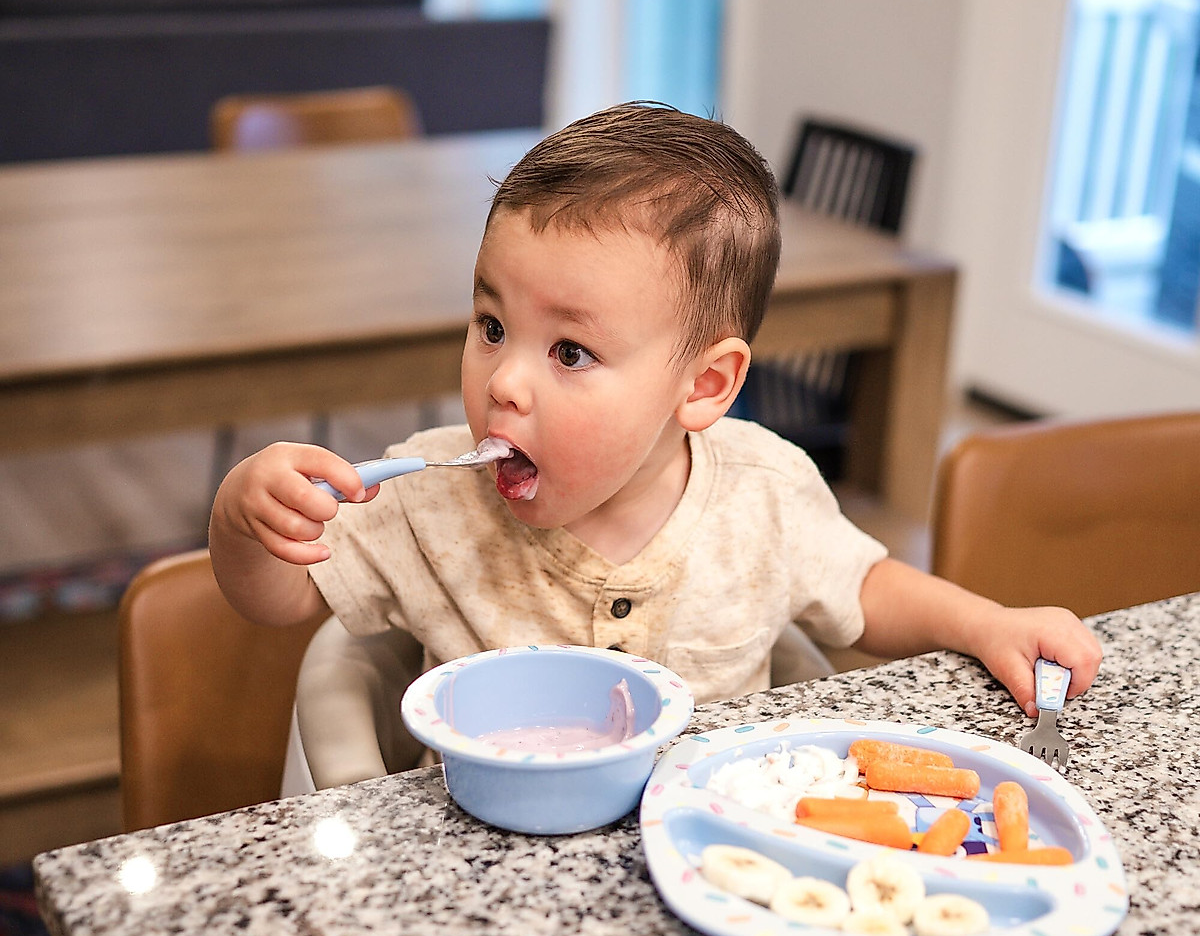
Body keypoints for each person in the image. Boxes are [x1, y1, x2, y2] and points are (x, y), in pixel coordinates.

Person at [209, 102, 1101, 741]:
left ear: (704, 387)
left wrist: (987, 623)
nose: (504, 381)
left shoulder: (764, 493)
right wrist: (246, 519)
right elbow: (279, 600)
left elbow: (863, 591)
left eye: (569, 353)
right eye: (491, 327)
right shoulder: (428, 499)